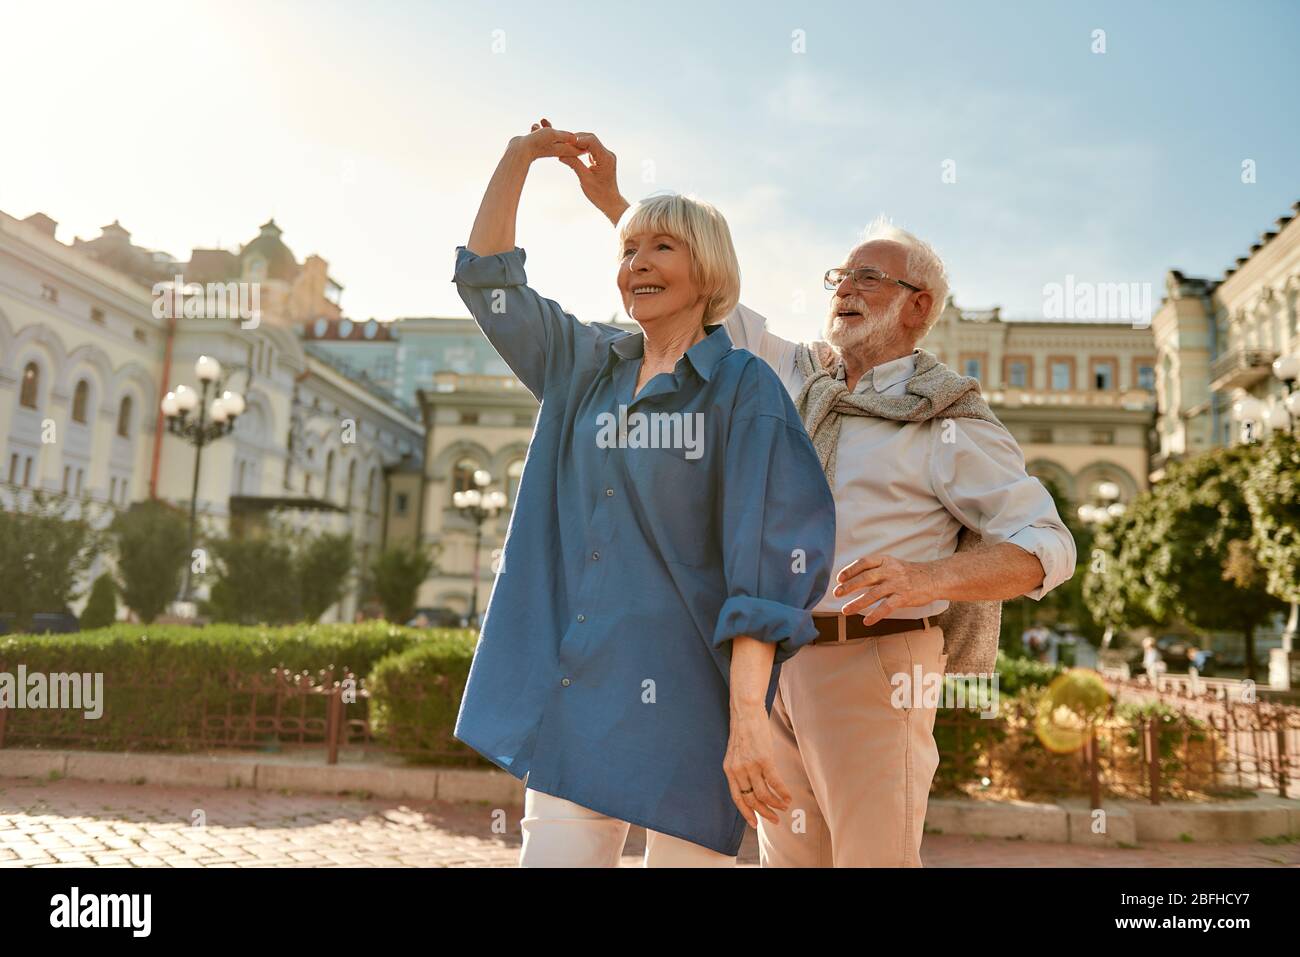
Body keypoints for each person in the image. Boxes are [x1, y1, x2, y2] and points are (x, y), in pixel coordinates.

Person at [561, 126, 1076, 866]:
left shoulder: (948, 418)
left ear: (917, 305)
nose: (845, 289)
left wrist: (929, 578)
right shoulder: (801, 376)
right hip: (775, 666)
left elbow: (1047, 545)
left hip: (875, 663)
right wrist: (617, 206)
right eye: (841, 275)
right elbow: (705, 304)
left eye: (869, 278)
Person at [451, 121, 836, 867]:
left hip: (690, 700)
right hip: (577, 686)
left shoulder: (744, 389)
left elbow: (766, 568)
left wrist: (749, 718)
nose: (638, 264)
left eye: (663, 247)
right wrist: (518, 156)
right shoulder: (583, 364)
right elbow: (489, 283)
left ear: (710, 270)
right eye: (629, 250)